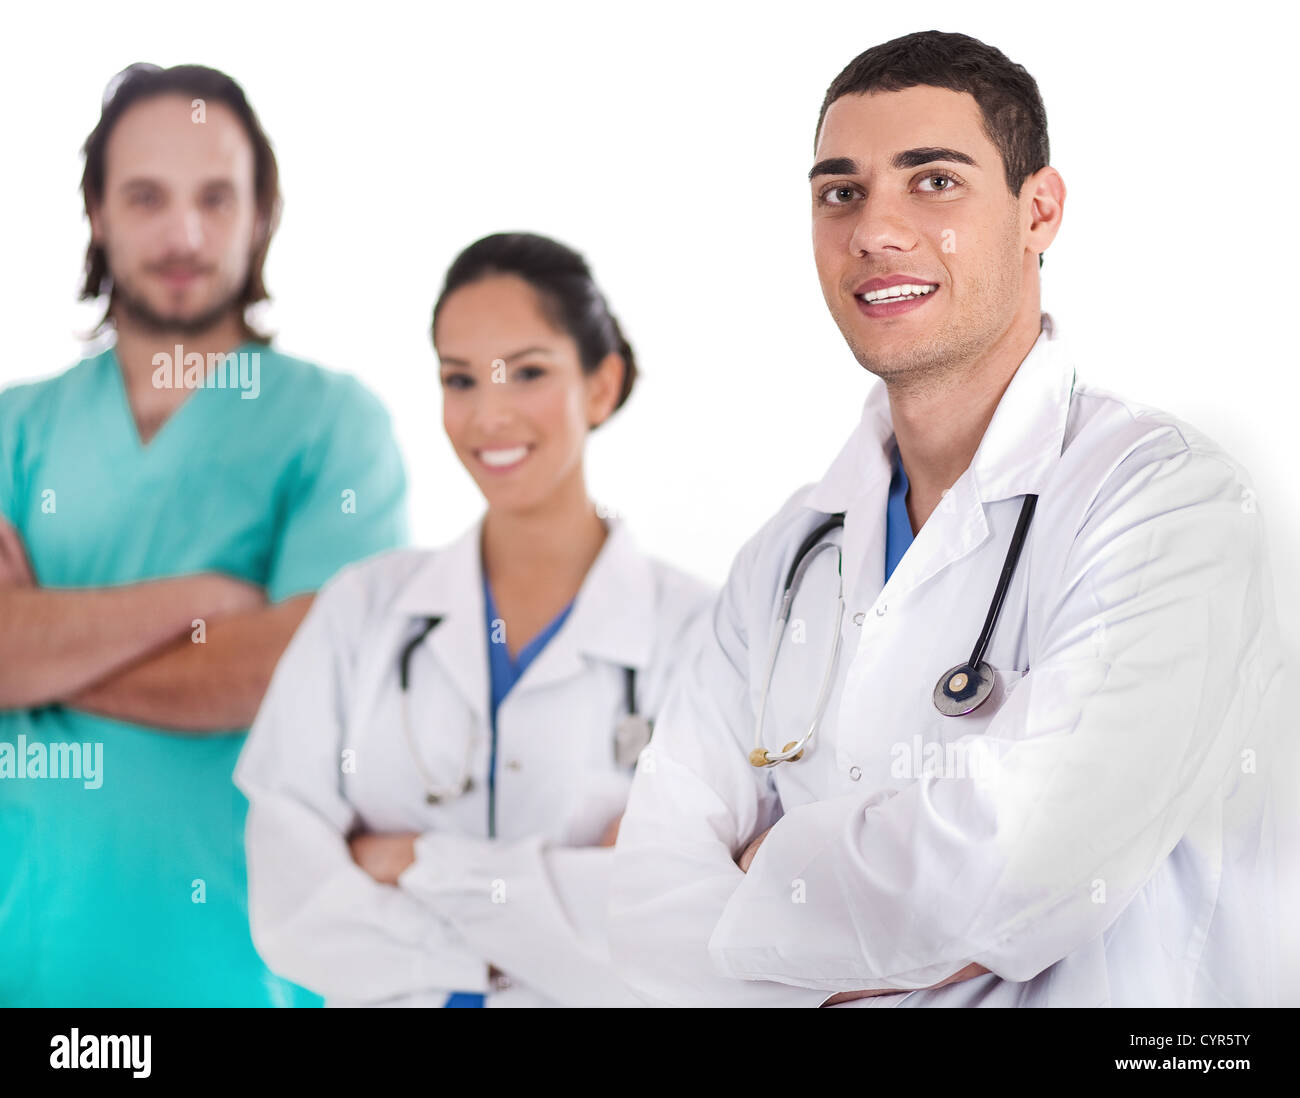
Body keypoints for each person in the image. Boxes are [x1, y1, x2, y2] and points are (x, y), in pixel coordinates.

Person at [607, 30, 1285, 1007]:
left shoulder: (1167, 504)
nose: (874, 230)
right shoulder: (783, 561)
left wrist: (763, 865)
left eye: (931, 181)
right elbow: (647, 896)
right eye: (840, 192)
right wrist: (864, 901)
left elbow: (1020, 861)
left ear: (1037, 211)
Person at [0, 64, 408, 1007]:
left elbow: (291, 673)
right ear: (97, 214)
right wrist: (197, 606)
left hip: (246, 975)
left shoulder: (331, 425)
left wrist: (34, 646)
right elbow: (238, 654)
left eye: (215, 198)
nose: (183, 234)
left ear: (261, 214)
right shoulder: (16, 430)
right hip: (31, 969)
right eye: (146, 197)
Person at [234, 231, 715, 1007]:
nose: (488, 414)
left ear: (600, 384)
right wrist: (529, 939)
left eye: (527, 372)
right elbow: (290, 896)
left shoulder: (697, 632)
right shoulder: (363, 609)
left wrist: (420, 864)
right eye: (460, 380)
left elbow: (685, 927)